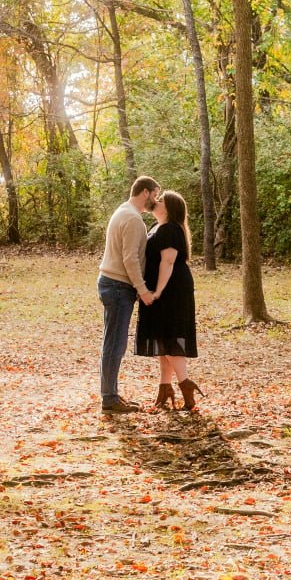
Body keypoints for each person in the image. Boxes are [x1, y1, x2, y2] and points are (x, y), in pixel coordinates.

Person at [135, 190, 203, 410]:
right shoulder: (157, 228)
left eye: (161, 199)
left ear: (170, 208)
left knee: (171, 336)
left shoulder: (171, 229)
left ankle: (185, 383)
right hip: (162, 289)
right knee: (161, 337)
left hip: (171, 290)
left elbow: (169, 261)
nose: (156, 201)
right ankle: (165, 387)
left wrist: (157, 291)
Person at [97, 176, 160, 414]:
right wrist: (142, 290)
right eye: (154, 194)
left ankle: (110, 395)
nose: (156, 200)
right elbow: (130, 259)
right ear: (145, 192)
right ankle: (109, 398)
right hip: (117, 286)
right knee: (114, 344)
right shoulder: (133, 219)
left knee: (112, 342)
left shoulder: (123, 211)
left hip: (113, 284)